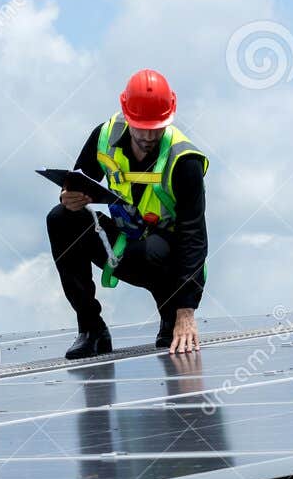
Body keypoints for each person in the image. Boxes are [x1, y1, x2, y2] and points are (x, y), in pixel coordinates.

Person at [46, 68, 209, 358]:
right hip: (124, 241)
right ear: (126, 113)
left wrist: (186, 310)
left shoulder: (185, 161)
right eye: (140, 126)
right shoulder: (104, 137)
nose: (148, 136)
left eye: (156, 127)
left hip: (168, 255)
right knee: (61, 218)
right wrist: (68, 197)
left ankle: (170, 314)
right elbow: (77, 182)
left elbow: (194, 236)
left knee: (154, 249)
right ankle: (91, 329)